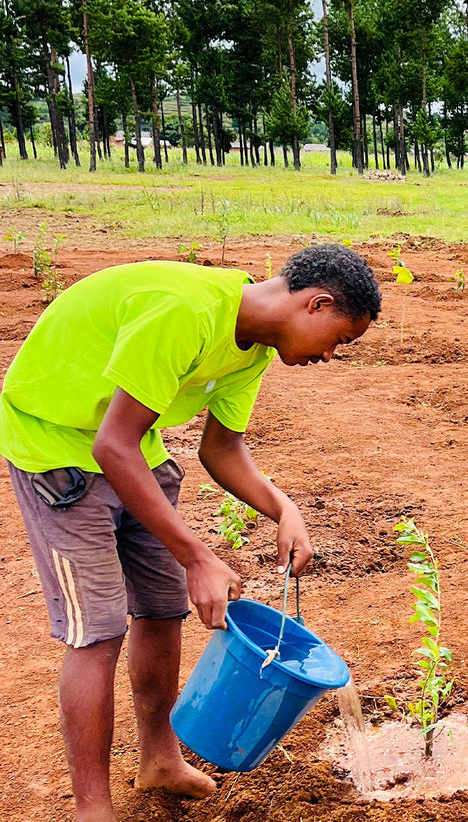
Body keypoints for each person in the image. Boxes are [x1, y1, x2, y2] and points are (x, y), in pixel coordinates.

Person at [0, 244, 381, 821]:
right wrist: (197, 556)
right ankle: (92, 809)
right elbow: (111, 445)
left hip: (134, 450)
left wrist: (283, 508)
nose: (331, 355)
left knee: (160, 610)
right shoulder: (185, 312)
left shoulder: (251, 346)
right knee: (97, 633)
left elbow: (221, 449)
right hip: (56, 449)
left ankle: (159, 758)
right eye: (338, 339)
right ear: (316, 303)